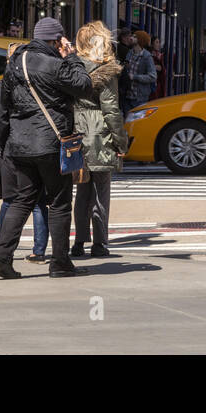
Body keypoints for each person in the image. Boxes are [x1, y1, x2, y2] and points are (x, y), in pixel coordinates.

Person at [0, 17, 94, 279]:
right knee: (58, 202)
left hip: (19, 145)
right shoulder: (56, 64)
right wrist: (71, 57)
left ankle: (1, 255)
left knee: (23, 199)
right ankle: (59, 262)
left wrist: (4, 144)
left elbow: (1, 108)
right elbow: (84, 86)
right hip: (51, 144)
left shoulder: (15, 64)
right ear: (58, 40)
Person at [69, 21, 125, 259]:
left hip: (76, 133)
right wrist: (121, 141)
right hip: (100, 134)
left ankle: (79, 242)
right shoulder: (106, 70)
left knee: (82, 191)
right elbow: (111, 110)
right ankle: (100, 244)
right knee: (101, 191)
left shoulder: (71, 68)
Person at [125, 30, 158, 110]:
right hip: (127, 95)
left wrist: (134, 77)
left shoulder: (147, 56)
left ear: (140, 40)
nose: (131, 38)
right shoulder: (130, 53)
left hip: (140, 98)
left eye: (135, 37)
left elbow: (153, 76)